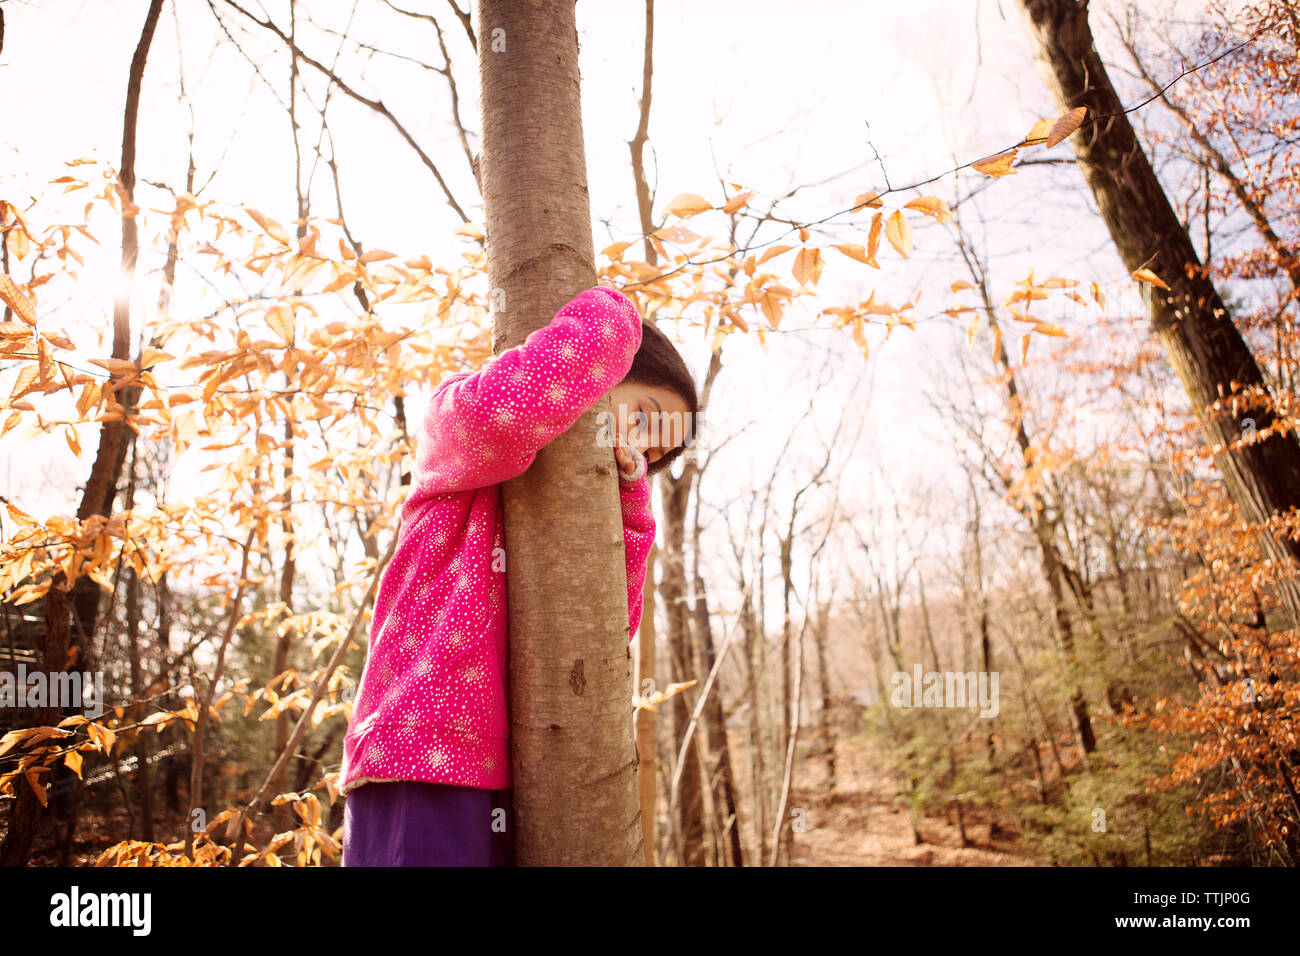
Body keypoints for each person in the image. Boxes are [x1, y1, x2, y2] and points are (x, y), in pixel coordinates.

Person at [339, 285, 699, 866]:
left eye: (652, 458)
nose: (634, 450)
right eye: (643, 419)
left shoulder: (582, 520)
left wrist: (631, 504)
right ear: (609, 364)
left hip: (519, 771)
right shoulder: (455, 419)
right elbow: (509, 413)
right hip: (422, 742)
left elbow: (609, 627)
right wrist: (611, 316)